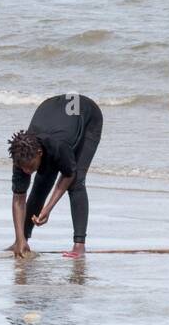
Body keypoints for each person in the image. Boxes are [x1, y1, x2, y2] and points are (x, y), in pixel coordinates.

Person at [7, 94, 103, 259]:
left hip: (88, 116)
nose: (27, 171)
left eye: (30, 167)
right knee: (42, 181)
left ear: (39, 152)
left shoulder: (59, 146)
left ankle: (79, 245)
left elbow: (68, 175)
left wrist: (47, 209)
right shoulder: (20, 153)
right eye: (23, 168)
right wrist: (19, 238)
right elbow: (18, 198)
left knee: (76, 182)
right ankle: (23, 240)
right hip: (55, 112)